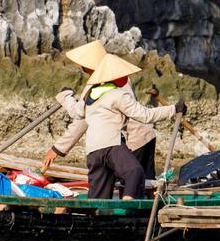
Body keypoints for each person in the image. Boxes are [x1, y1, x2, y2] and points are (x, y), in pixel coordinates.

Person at [44, 53, 185, 199]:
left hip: (93, 151)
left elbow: (77, 112)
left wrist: (66, 97)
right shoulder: (118, 94)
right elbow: (145, 115)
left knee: (99, 196)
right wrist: (174, 109)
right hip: (113, 145)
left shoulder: (90, 94)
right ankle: (129, 205)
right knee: (135, 173)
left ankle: (97, 217)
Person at [50, 41, 161, 179]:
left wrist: (57, 149)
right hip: (144, 135)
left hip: (133, 139)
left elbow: (82, 118)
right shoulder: (118, 77)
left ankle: (133, 199)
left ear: (87, 66)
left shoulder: (101, 84)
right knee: (143, 182)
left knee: (132, 181)